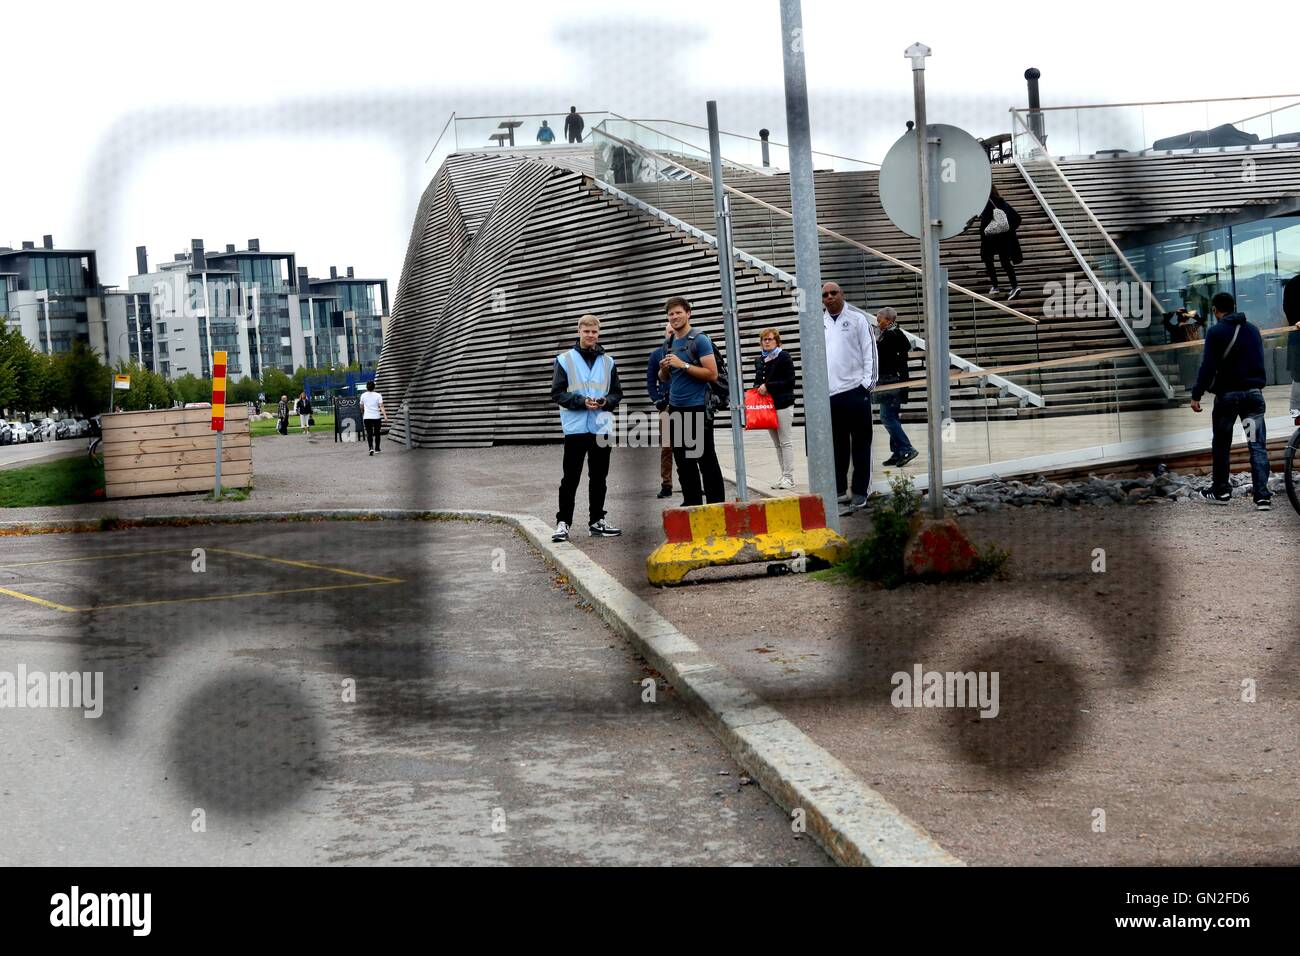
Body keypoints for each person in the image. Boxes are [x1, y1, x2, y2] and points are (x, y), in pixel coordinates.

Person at [1190, 292, 1271, 510]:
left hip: (1228, 398)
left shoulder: (1216, 332)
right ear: (1234, 307)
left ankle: (1221, 491)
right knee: (1257, 446)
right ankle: (1262, 496)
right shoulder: (1253, 330)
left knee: (1222, 443)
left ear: (1216, 309)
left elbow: (1207, 367)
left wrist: (1197, 395)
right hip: (1254, 397)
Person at [551, 314, 624, 541]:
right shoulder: (565, 360)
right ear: (579, 331)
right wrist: (581, 402)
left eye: (594, 332)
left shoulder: (609, 362)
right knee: (570, 478)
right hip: (575, 428)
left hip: (601, 426)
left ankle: (596, 522)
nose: (591, 335)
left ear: (598, 333)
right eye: (587, 331)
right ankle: (563, 523)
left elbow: (617, 394)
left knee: (599, 477)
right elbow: (557, 393)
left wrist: (605, 402)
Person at [658, 296, 725, 506]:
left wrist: (683, 365)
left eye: (678, 312)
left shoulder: (699, 340)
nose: (674, 317)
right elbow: (665, 378)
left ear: (688, 313)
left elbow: (712, 374)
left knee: (705, 459)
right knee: (683, 461)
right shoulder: (669, 342)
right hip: (676, 407)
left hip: (698, 407)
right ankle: (692, 504)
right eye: (671, 314)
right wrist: (664, 369)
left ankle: (716, 506)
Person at [822, 282, 879, 513]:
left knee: (861, 444)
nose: (830, 297)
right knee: (837, 446)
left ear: (842, 294)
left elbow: (870, 351)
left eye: (834, 292)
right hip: (830, 395)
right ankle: (838, 490)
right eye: (825, 295)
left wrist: (866, 385)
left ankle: (859, 491)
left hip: (855, 391)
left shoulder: (858, 320)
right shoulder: (818, 323)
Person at [873, 307, 919, 467]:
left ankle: (907, 448)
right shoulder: (894, 334)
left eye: (880, 320)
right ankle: (897, 451)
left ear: (890, 320)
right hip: (894, 380)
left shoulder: (892, 335)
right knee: (892, 416)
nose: (878, 323)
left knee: (887, 417)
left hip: (891, 381)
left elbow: (882, 356)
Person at [753, 327, 797, 489]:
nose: (767, 342)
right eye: (764, 339)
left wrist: (768, 386)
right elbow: (758, 381)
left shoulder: (783, 357)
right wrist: (757, 388)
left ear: (777, 341)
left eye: (770, 339)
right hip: (767, 406)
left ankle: (789, 477)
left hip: (783, 403)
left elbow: (790, 381)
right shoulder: (759, 360)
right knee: (777, 444)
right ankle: (783, 475)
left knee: (785, 441)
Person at [646, 320, 676, 499]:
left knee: (692, 445)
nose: (671, 335)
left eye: (674, 331)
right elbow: (650, 382)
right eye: (669, 332)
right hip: (666, 405)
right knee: (667, 447)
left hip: (687, 404)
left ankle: (695, 483)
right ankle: (667, 485)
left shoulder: (688, 351)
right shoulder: (657, 354)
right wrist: (657, 400)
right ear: (665, 334)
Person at [979, 184, 1023, 300]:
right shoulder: (1003, 203)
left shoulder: (985, 204)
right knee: (1005, 262)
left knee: (988, 259)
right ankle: (1014, 286)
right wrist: (1007, 229)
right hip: (1005, 239)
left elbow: (986, 224)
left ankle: (995, 286)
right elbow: (1018, 219)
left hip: (991, 239)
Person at [1285, 272, 1300, 415]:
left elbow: (1287, 308)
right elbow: (1289, 308)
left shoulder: (1292, 283)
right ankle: (1296, 408)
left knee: (1298, 374)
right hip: (1297, 333)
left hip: (1296, 333)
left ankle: (1295, 408)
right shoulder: (1294, 284)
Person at [360, 380, 386, 456]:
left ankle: (371, 448)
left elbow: (361, 406)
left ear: (366, 387)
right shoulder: (378, 395)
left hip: (367, 417)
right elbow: (381, 406)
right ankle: (377, 448)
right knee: (377, 433)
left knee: (369, 433)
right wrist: (385, 416)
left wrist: (363, 413)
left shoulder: (363, 395)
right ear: (374, 387)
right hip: (376, 417)